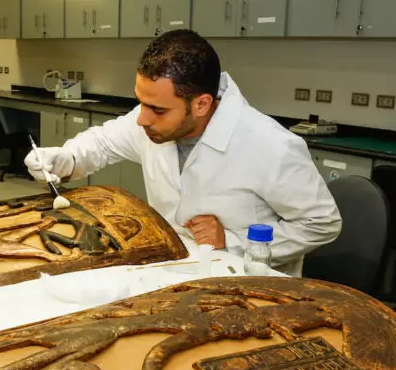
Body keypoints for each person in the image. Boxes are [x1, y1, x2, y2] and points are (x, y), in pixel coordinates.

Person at [24, 29, 341, 276]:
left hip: (245, 285)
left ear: (201, 104)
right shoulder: (153, 122)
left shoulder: (269, 145)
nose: (142, 119)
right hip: (173, 267)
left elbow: (320, 223)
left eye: (157, 110)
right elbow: (103, 143)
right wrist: (64, 159)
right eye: (141, 102)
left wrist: (232, 241)